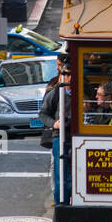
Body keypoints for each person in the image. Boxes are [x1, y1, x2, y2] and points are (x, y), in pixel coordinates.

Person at [41, 54, 72, 204]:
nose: (69, 78)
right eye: (66, 74)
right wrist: (54, 124)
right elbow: (43, 113)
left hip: (79, 137)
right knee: (60, 172)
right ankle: (61, 203)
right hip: (60, 137)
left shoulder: (83, 90)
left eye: (72, 74)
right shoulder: (56, 92)